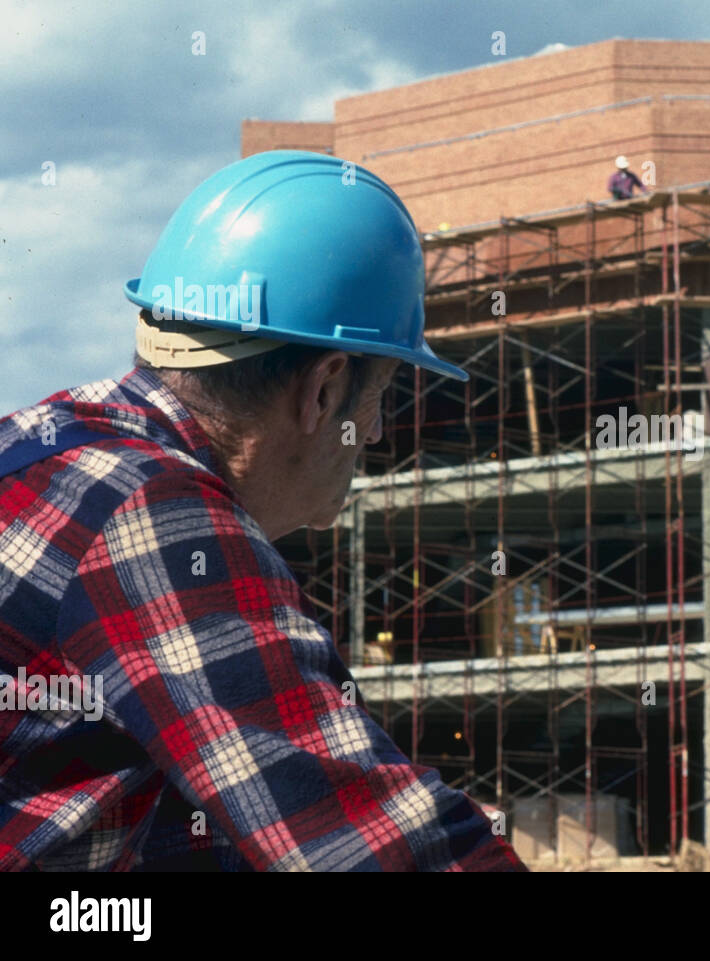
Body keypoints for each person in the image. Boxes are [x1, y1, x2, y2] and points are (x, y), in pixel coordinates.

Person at [0, 150, 527, 871]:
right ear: (323, 388)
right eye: (383, 399)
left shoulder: (37, 449)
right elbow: (370, 844)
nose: (375, 433)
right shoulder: (152, 514)